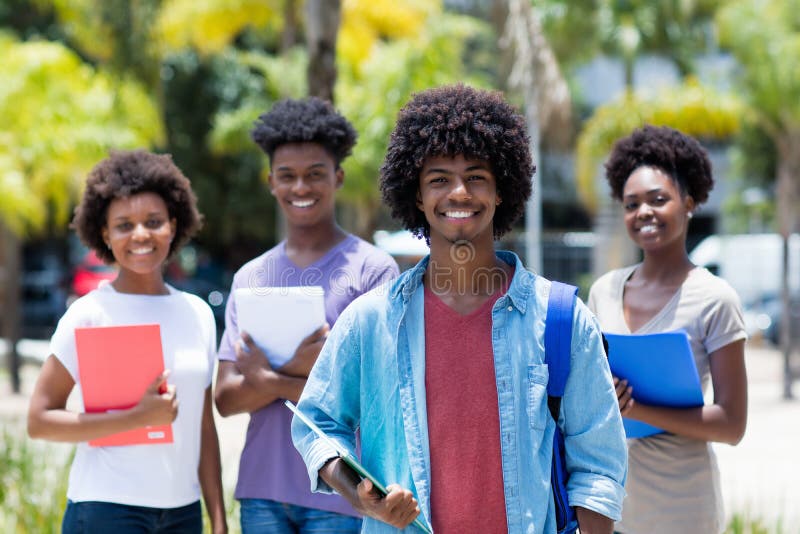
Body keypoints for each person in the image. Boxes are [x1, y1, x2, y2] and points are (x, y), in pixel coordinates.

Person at [291, 84, 627, 534]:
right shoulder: (370, 321)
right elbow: (317, 424)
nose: (459, 192)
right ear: (416, 195)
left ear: (502, 190)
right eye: (439, 179)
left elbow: (598, 466)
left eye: (476, 176)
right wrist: (363, 498)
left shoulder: (562, 319)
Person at [213, 97, 399, 534]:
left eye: (315, 174)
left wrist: (272, 379)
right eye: (288, 176)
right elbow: (225, 400)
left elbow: (376, 395)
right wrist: (308, 369)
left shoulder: (373, 271)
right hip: (262, 490)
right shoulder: (251, 275)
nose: (301, 187)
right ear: (271, 183)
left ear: (338, 177)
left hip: (343, 492)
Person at [27, 150, 227, 534]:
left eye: (153, 222)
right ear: (104, 234)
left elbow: (204, 427)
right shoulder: (87, 314)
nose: (140, 235)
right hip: (107, 510)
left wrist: (217, 519)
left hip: (183, 514)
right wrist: (136, 418)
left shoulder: (198, 313)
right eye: (124, 225)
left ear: (173, 224)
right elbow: (39, 420)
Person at [587, 125, 748, 534]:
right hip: (613, 509)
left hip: (684, 512)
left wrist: (635, 409)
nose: (643, 212)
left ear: (689, 203)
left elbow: (731, 424)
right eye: (631, 204)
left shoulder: (714, 298)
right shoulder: (604, 291)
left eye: (659, 199)